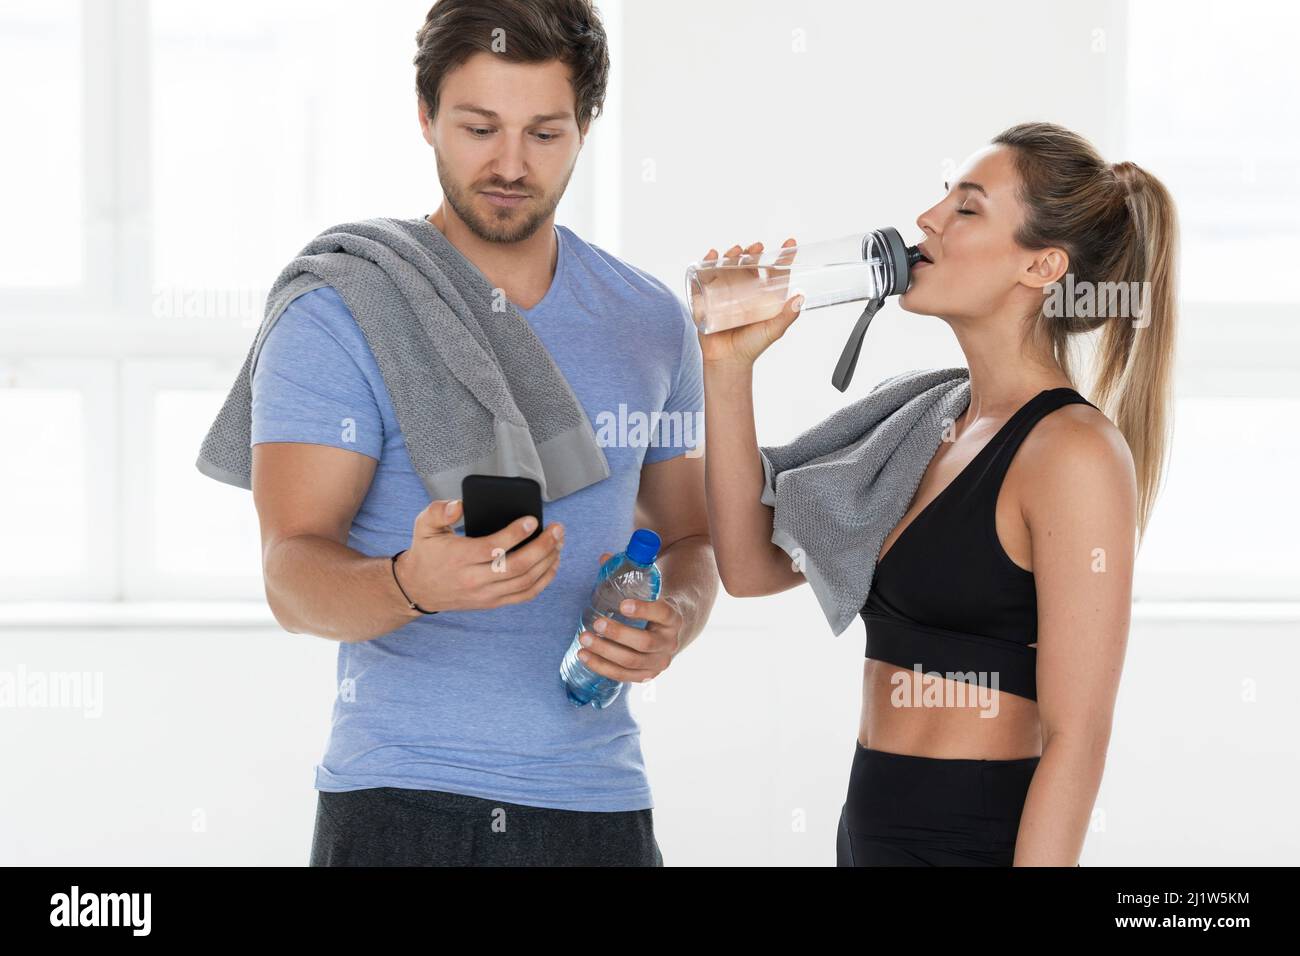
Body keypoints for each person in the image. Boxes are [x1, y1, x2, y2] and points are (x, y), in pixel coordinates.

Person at [250, 0, 717, 866]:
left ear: (586, 127)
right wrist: (410, 582)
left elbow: (689, 535)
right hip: (399, 804)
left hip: (599, 803)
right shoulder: (343, 311)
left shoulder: (652, 322)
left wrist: (673, 618)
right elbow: (290, 578)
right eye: (478, 127)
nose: (509, 164)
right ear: (425, 114)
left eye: (544, 133)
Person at [701, 122, 1177, 865]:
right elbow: (748, 565)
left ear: (1043, 265)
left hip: (965, 845)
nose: (926, 220)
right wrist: (728, 370)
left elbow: (1077, 739)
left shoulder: (1072, 454)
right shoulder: (928, 420)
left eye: (968, 207)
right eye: (943, 198)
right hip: (865, 834)